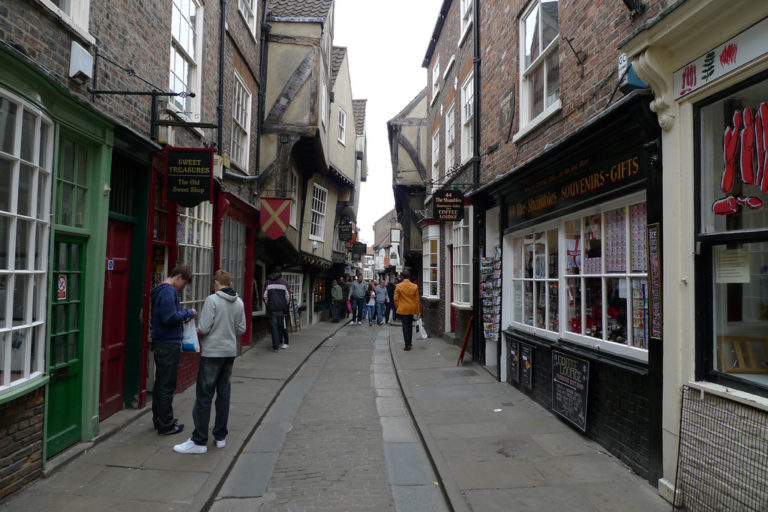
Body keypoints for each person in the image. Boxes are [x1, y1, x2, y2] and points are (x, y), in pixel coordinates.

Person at [174, 270, 246, 454]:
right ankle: (220, 436)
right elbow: (242, 328)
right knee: (223, 395)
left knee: (204, 396)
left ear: (216, 283)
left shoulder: (212, 300)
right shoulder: (239, 302)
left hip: (212, 352)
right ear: (229, 284)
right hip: (229, 352)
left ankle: (199, 441)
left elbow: (204, 327)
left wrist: (199, 329)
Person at [150, 266, 196, 435]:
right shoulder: (168, 292)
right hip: (168, 344)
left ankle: (160, 420)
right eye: (184, 283)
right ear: (178, 277)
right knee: (167, 386)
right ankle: (166, 424)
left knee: (161, 384)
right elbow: (169, 317)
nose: (183, 287)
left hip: (162, 342)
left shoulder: (160, 291)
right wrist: (187, 313)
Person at [264, 267, 291, 351]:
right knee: (281, 326)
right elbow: (287, 297)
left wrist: (268, 305)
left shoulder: (268, 282)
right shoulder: (284, 283)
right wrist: (285, 305)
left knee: (274, 328)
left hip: (272, 309)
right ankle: (280, 342)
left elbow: (265, 296)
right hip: (281, 308)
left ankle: (275, 346)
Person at [394, 270, 420, 351]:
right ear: (409, 276)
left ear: (402, 276)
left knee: (405, 326)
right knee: (410, 326)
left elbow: (395, 299)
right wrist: (418, 310)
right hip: (411, 308)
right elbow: (417, 300)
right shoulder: (414, 286)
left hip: (403, 309)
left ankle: (407, 344)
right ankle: (410, 342)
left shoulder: (398, 286)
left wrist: (399, 306)